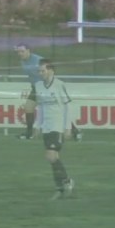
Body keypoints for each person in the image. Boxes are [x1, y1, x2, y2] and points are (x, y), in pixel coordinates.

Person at [33, 60, 76, 200]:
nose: (40, 73)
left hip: (58, 126)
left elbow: (67, 106)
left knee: (51, 155)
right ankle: (60, 187)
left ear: (51, 71)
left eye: (43, 70)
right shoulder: (38, 86)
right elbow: (40, 107)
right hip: (46, 126)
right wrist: (37, 125)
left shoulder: (59, 85)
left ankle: (66, 181)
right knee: (53, 158)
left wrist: (68, 127)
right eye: (39, 71)